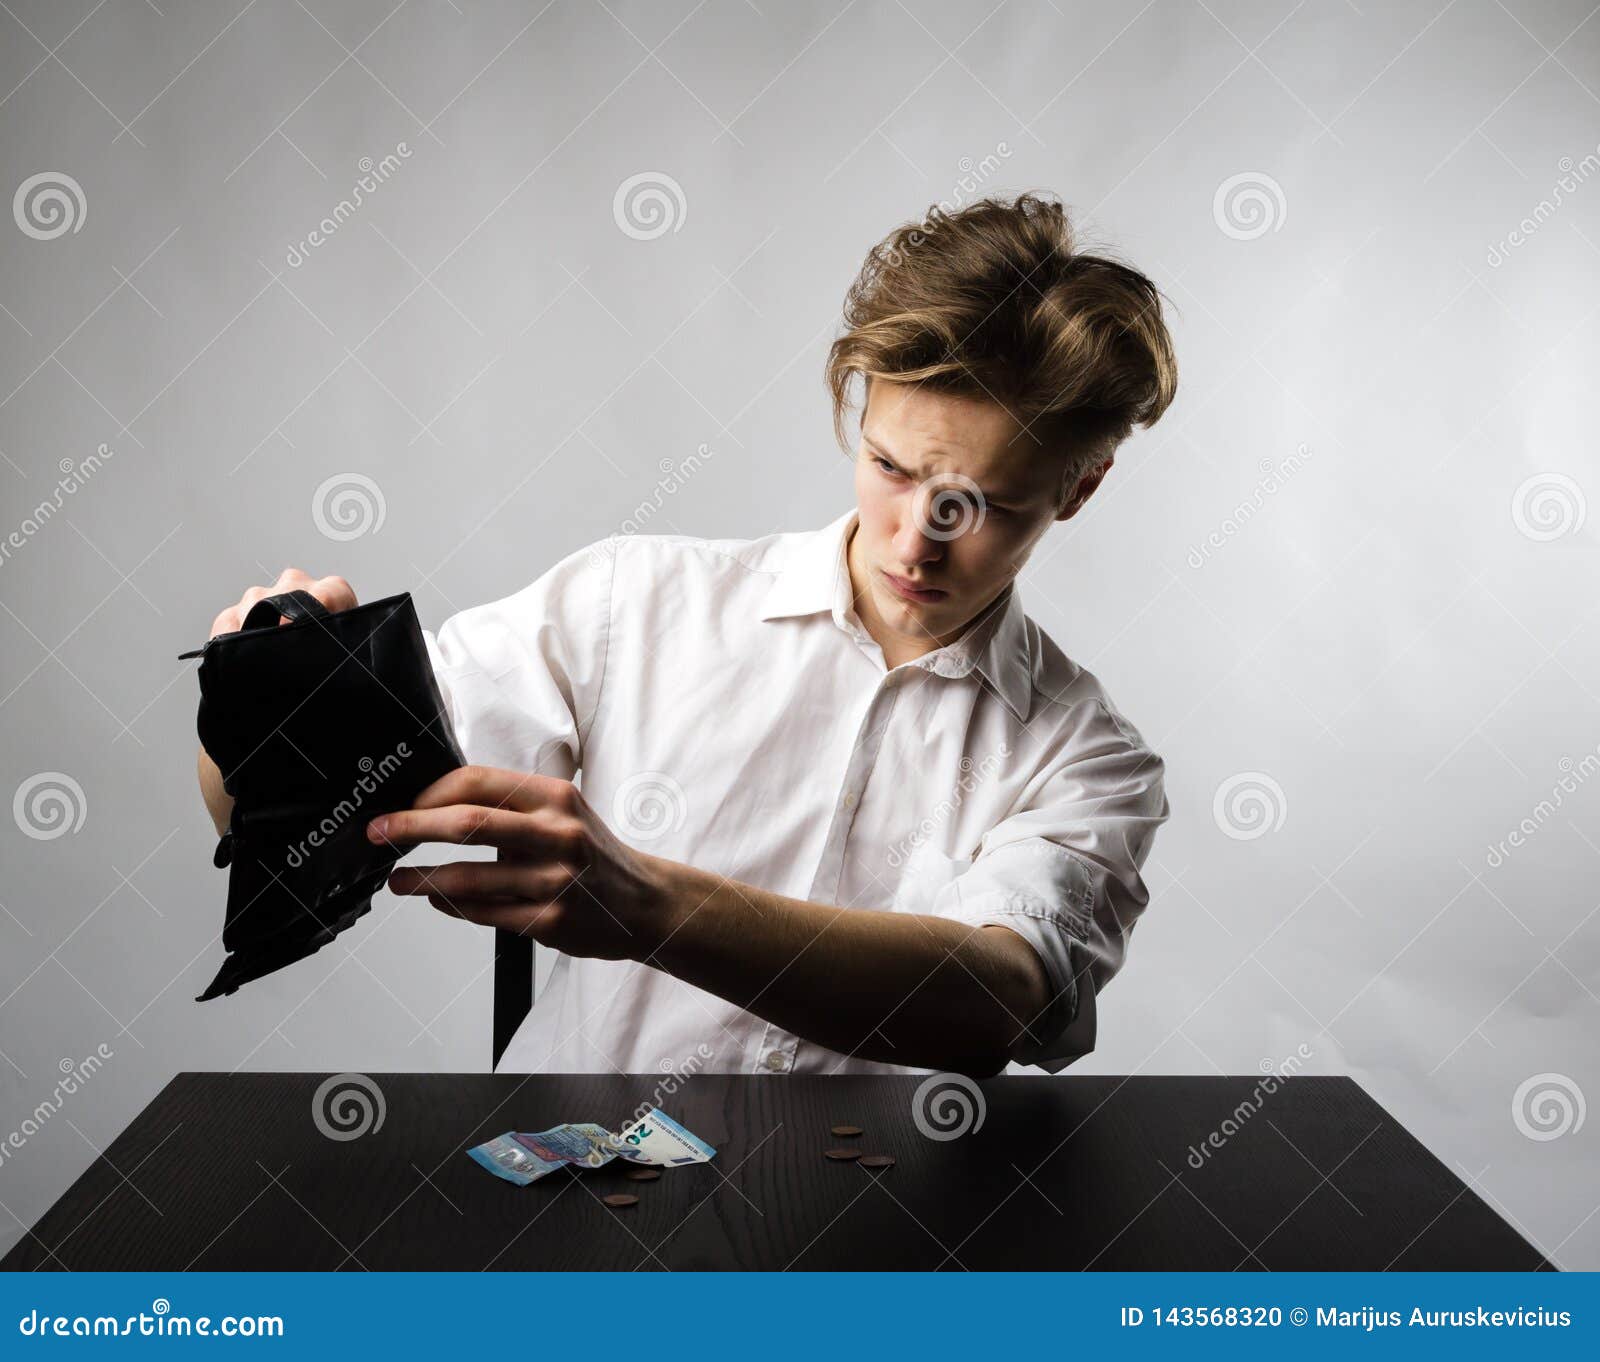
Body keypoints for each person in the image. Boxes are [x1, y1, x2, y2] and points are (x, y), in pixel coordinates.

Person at [198, 192, 1177, 1080]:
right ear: (858, 405)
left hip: (882, 1246)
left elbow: (1001, 999)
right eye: (889, 465)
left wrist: (652, 908)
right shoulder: (630, 603)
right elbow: (295, 821)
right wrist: (263, 701)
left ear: (1077, 486)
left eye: (984, 504)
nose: (919, 541)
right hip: (579, 1224)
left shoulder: (1089, 760)